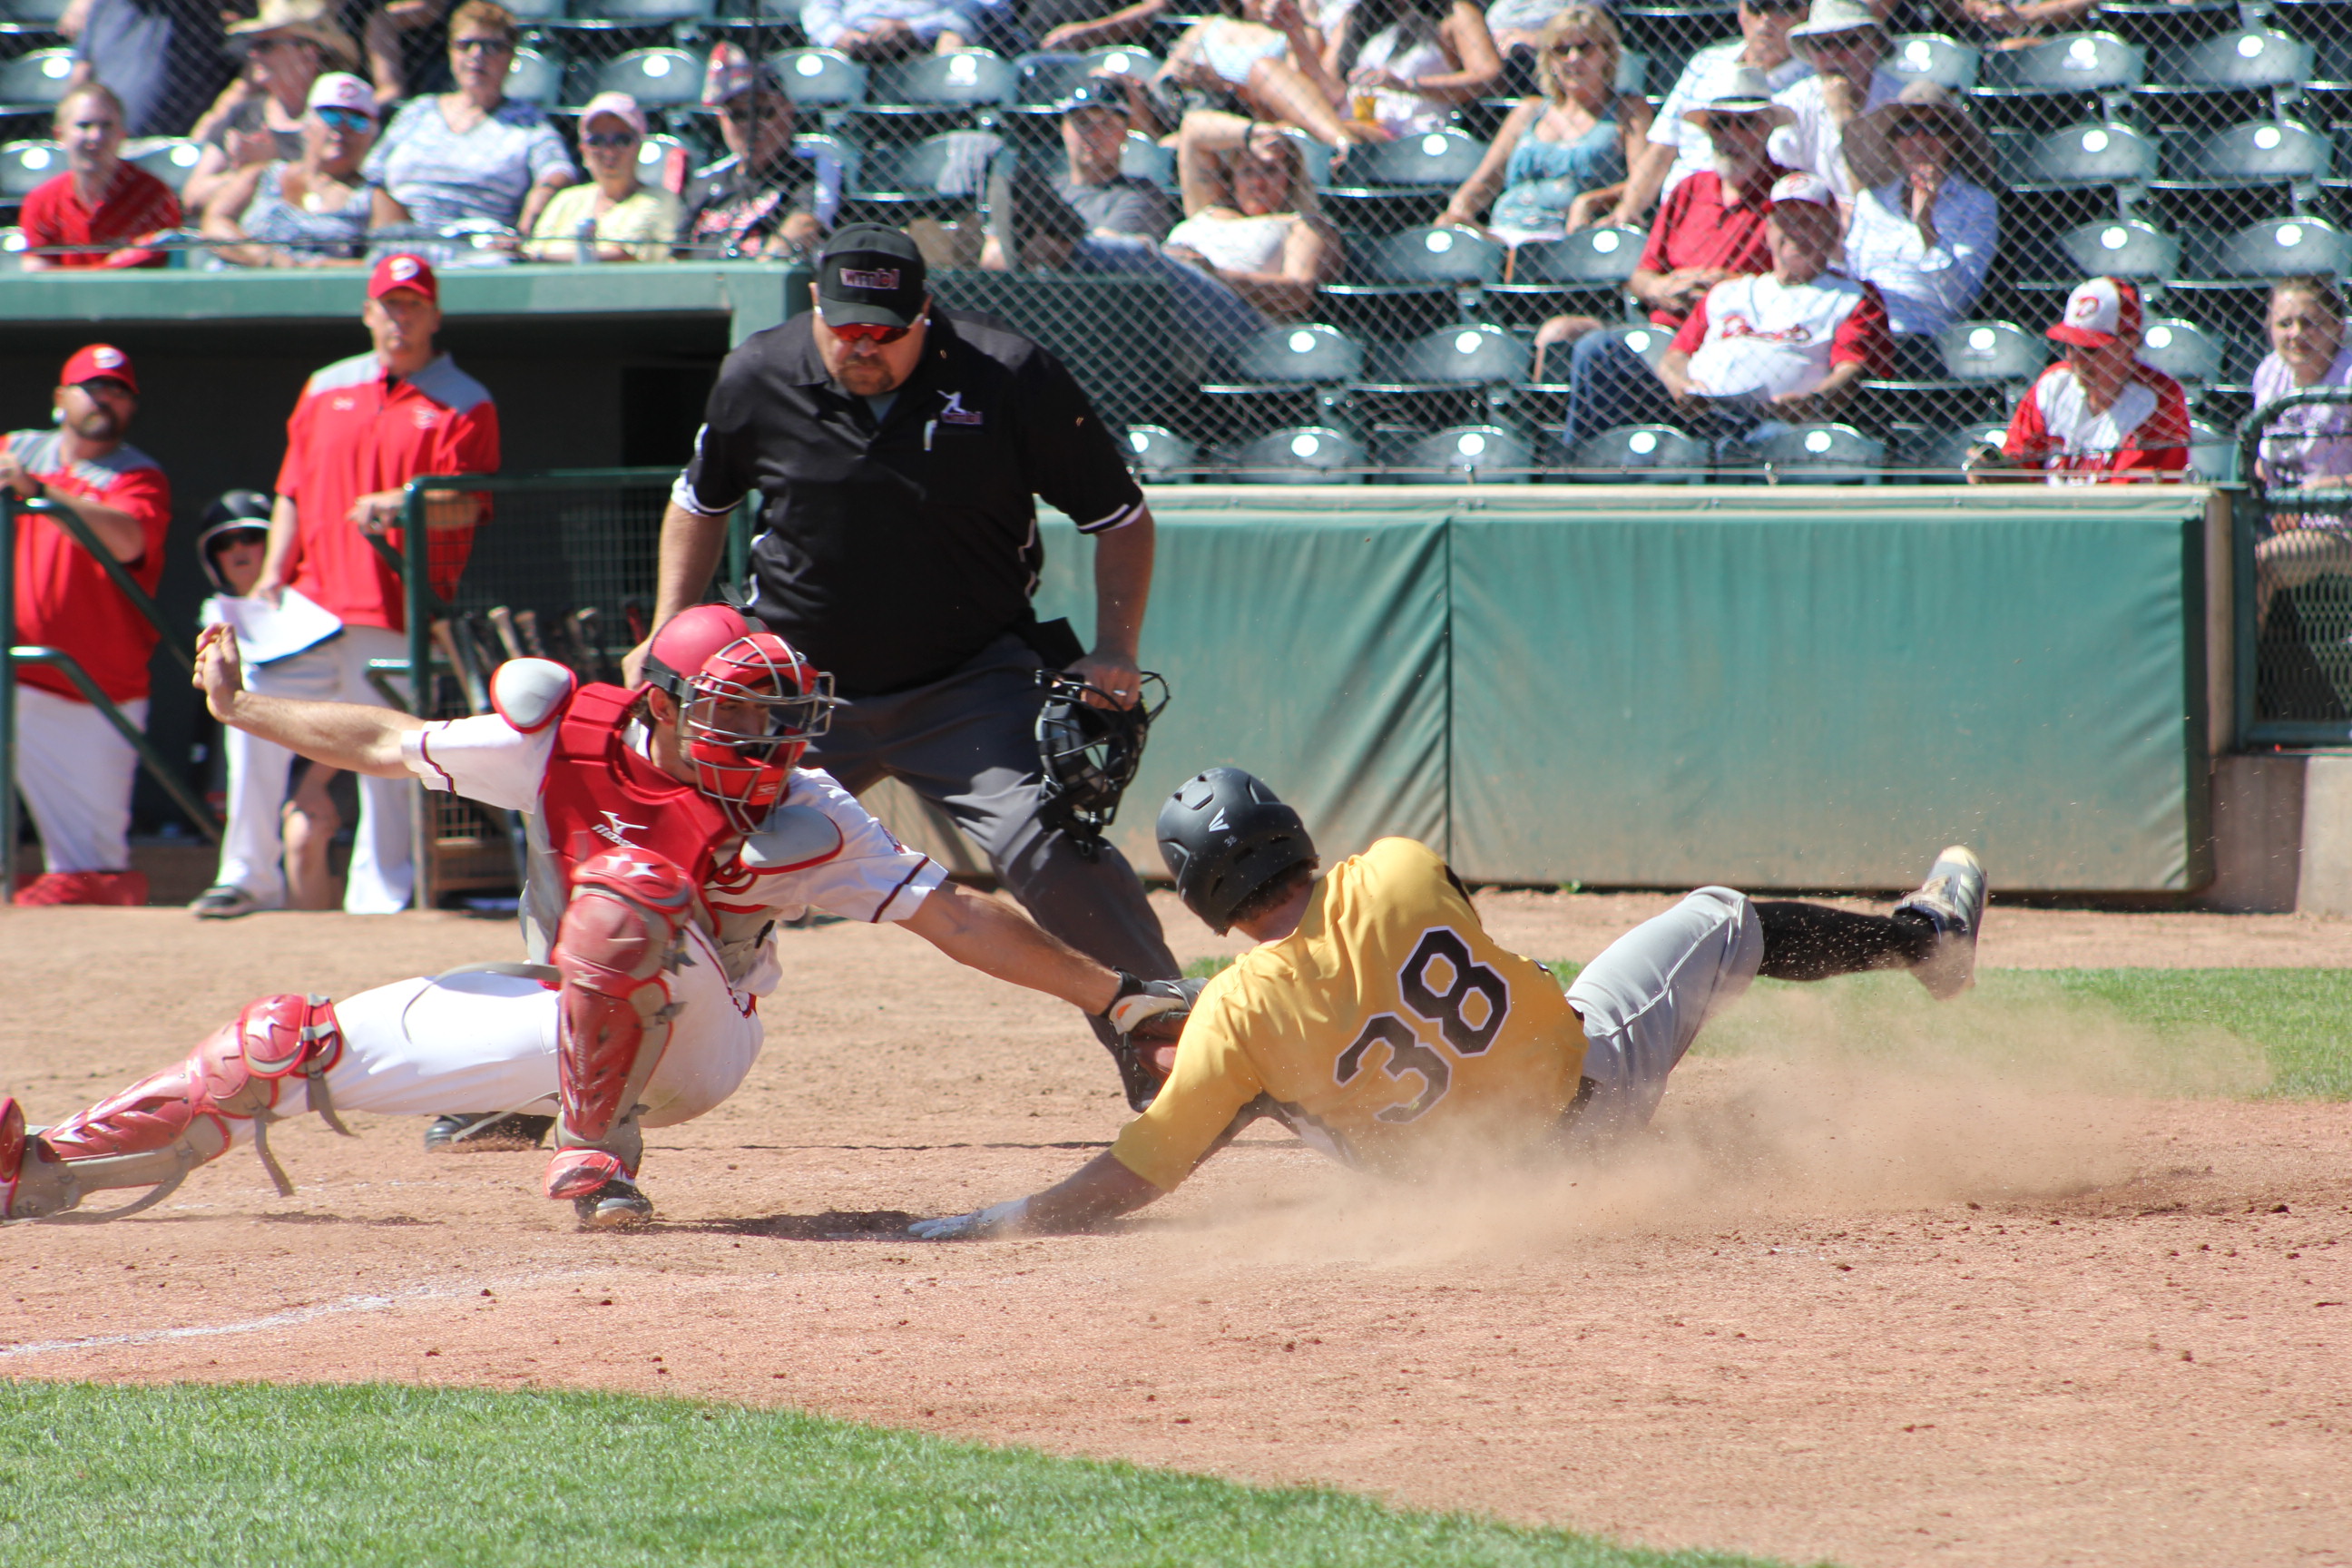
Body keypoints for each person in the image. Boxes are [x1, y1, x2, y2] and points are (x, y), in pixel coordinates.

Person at [0, 606, 1199, 1227]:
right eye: (740, 721)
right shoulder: (560, 742)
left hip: (700, 1038)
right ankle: (46, 1169)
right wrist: (243, 707)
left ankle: (589, 1155)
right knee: (281, 1042)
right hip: (578, 1005)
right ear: (664, 712)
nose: (773, 749)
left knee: (629, 903)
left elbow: (962, 919)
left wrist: (1119, 994)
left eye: (784, 722)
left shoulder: (810, 812)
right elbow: (377, 739)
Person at [905, 767, 1987, 1240]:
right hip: (1594, 1099)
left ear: (1200, 901)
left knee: (1243, 1078)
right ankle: (1923, 945)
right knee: (1719, 916)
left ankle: (1208, 1084)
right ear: (1292, 831)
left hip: (1456, 1194)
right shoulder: (1401, 868)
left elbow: (1133, 1178)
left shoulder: (1237, 1012)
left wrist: (1005, 1220)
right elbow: (1379, 949)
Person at [626, 226, 1187, 1107]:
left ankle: (1173, 1044)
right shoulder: (760, 373)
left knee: (1054, 847)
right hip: (788, 691)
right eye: (848, 327)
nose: (865, 345)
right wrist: (667, 625)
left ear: (926, 311)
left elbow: (1119, 516)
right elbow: (700, 501)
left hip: (969, 682)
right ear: (816, 308)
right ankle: (549, 1059)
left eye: (887, 329)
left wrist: (1117, 645)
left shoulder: (1007, 373)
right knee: (645, 839)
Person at [247, 253, 500, 913]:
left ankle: (380, 897)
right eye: (390, 304)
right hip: (306, 600)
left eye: (413, 304)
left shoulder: (465, 399)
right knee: (249, 719)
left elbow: (468, 503)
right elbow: (291, 491)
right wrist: (273, 570)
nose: (400, 316)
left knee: (388, 756)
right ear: (367, 312)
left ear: (434, 315)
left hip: (395, 603)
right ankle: (246, 876)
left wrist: (404, 502)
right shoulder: (325, 385)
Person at [0, 345, 172, 907]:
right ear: (60, 399)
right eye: (93, 387)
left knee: (91, 869)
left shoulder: (138, 474)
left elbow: (128, 540)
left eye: (119, 390)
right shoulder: (17, 450)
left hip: (90, 688)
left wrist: (41, 492)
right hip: (14, 667)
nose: (106, 398)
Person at [1541, 70, 1791, 434]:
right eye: (1721, 125)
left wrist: (1729, 288)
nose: (1732, 137)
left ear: (1767, 127)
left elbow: (1803, 280)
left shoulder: (1788, 194)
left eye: (1746, 124)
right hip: (1663, 339)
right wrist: (1663, 289)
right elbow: (1641, 277)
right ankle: (1582, 472)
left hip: (1735, 343)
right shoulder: (1688, 190)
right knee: (1595, 349)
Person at [188, 490, 346, 918]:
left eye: (250, 538)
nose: (237, 550)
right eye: (225, 543)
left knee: (304, 834)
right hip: (263, 777)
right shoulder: (214, 614)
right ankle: (247, 885)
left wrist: (314, 782)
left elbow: (355, 711)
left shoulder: (318, 610)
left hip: (339, 764)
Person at [1652, 174, 1890, 434]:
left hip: (1784, 429)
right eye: (1784, 221)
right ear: (1767, 230)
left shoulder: (1850, 297)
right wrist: (1681, 386)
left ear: (1832, 231)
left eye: (1808, 221)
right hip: (1699, 420)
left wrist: (1814, 401)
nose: (1795, 230)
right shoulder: (1727, 292)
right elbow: (1674, 356)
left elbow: (1850, 370)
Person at [1438, 6, 1650, 249]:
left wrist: (1592, 201)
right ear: (1549, 60)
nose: (1573, 58)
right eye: (1561, 50)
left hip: (1571, 240)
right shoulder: (1529, 112)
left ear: (1606, 53)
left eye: (1584, 47)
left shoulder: (1627, 111)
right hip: (1502, 235)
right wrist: (1458, 211)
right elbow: (1484, 181)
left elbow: (1644, 184)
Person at [364, 1, 576, 237]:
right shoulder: (418, 111)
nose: (477, 55)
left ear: (511, 55)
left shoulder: (528, 122)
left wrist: (528, 224)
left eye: (492, 46)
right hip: (402, 246)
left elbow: (558, 172)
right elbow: (371, 178)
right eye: (466, 45)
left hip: (476, 250)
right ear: (450, 52)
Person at [1971, 277, 2190, 486]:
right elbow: (2021, 464)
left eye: (2090, 349)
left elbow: (2130, 505)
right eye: (2070, 345)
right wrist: (1998, 472)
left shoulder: (2159, 401)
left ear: (2131, 344)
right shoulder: (2053, 384)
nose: (2076, 359)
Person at [1611, 0, 1809, 227]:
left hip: (1757, 222)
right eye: (1757, 8)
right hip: (1679, 220)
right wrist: (1626, 214)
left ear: (1804, 13)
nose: (1767, 19)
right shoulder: (1706, 63)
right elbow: (1661, 151)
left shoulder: (1810, 85)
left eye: (1783, 8)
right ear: (1741, 12)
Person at [1837, 80, 1997, 341]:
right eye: (1907, 128)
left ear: (1953, 140)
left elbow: (1959, 302)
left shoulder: (1976, 203)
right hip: (1864, 328)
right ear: (1893, 142)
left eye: (1934, 127)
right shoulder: (1870, 201)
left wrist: (1926, 226)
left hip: (1924, 336)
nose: (1920, 139)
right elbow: (1854, 273)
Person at [181, 0, 361, 217]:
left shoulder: (337, 119)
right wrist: (242, 174)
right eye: (251, 46)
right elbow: (193, 196)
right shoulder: (243, 114)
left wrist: (270, 167)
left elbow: (339, 194)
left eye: (265, 46)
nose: (253, 55)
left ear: (309, 52)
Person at [1165, 114, 1342, 320]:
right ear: (1233, 177)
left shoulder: (1304, 224)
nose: (1257, 183)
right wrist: (1253, 133)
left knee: (1135, 250)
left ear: (1291, 178)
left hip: (1225, 320)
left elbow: (1298, 293)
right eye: (1247, 171)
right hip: (1162, 304)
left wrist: (1212, 276)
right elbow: (1192, 129)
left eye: (1270, 171)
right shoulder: (1205, 209)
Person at [2249, 279, 2352, 624]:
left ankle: (2239, 676)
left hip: (2340, 527)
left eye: (2310, 323)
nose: (2296, 334)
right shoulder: (2270, 373)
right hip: (2282, 522)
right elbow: (2266, 461)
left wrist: (2320, 491)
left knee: (2260, 563)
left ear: (2338, 328)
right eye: (2284, 323)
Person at [200, 72, 379, 269]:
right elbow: (215, 221)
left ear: (372, 135)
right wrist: (263, 257)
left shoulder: (374, 200)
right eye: (330, 115)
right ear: (307, 122)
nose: (343, 128)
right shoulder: (261, 176)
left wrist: (309, 267)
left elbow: (384, 265)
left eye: (357, 120)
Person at [673, 45, 828, 261]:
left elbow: (804, 226)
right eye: (738, 115)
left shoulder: (813, 171)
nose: (751, 126)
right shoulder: (706, 181)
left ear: (787, 112)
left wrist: (750, 280)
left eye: (762, 112)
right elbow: (676, 255)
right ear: (721, 121)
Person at [16, 83, 181, 271]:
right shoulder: (42, 202)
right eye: (84, 125)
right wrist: (110, 268)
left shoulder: (153, 195)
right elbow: (38, 277)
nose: (96, 136)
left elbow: (165, 276)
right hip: (66, 301)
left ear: (122, 135)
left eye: (107, 126)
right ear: (60, 135)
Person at [1766, 0, 1902, 212]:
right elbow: (1781, 181)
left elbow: (1875, 199)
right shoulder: (1793, 102)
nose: (1833, 55)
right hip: (1816, 222)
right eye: (1821, 45)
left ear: (1873, 45)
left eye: (1848, 42)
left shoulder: (1900, 102)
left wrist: (1844, 117)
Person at [1306, 0, 1503, 142]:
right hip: (1362, 122)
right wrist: (1296, 33)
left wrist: (1409, 85)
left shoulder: (1454, 13)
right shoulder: (1359, 15)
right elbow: (1328, 87)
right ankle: (1343, 140)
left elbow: (1488, 76)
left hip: (1415, 133)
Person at [524, 93, 681, 262]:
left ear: (639, 146)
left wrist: (543, 258)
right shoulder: (566, 200)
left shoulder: (660, 199)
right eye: (596, 141)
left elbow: (626, 259)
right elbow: (532, 254)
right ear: (583, 150)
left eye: (622, 140)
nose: (609, 151)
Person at [63, 0, 232, 139]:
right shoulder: (102, 6)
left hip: (171, 143)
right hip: (104, 143)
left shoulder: (189, 9)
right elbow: (83, 69)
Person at [1052, 79, 1173, 242]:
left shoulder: (1142, 194)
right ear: (1063, 129)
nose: (1093, 134)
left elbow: (1101, 254)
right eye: (1082, 123)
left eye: (1106, 124)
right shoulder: (1049, 189)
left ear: (1124, 132)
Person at [800, 0, 981, 58]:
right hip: (853, 47)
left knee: (953, 37)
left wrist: (910, 29)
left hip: (924, 44)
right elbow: (817, 7)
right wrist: (838, 35)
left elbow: (966, 11)